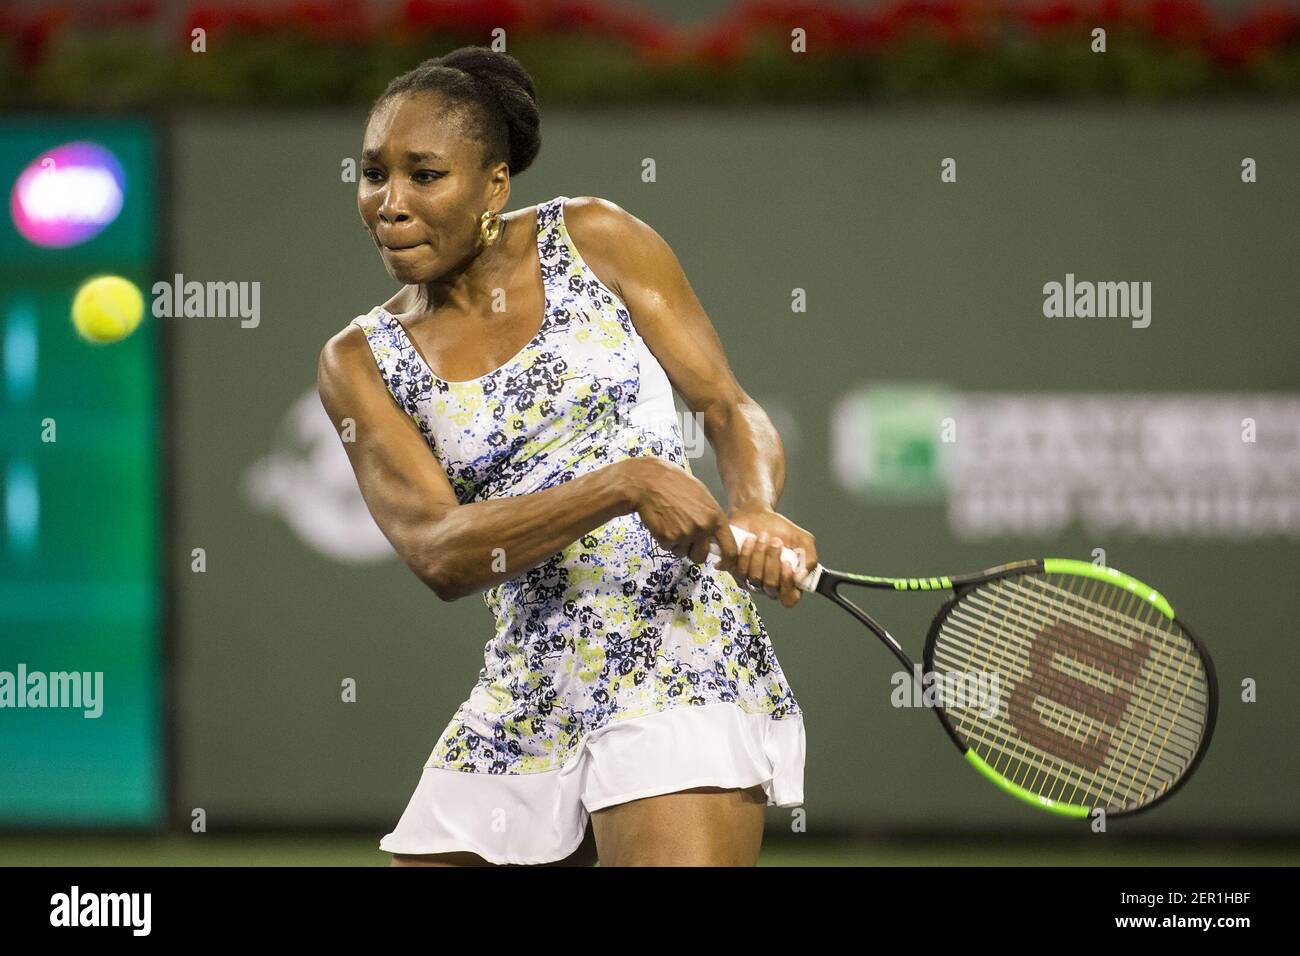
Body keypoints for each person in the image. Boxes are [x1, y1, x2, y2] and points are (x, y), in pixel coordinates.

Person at [317, 46, 818, 866]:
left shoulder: (595, 237)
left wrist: (755, 505)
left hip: (676, 652)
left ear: (494, 185)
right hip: (529, 676)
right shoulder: (359, 360)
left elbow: (728, 407)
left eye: (425, 175)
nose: (390, 204)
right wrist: (623, 484)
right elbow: (440, 553)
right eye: (373, 174)